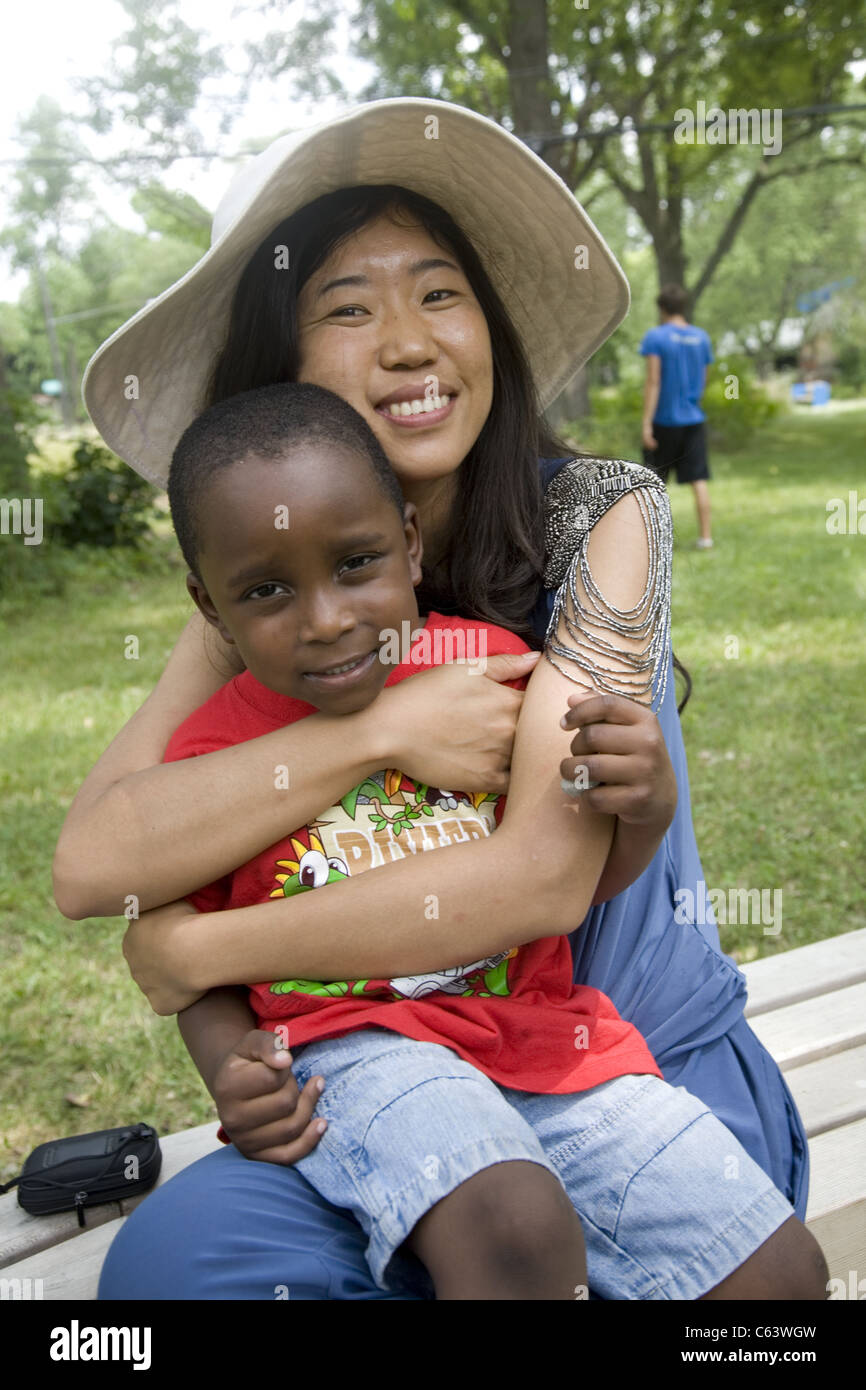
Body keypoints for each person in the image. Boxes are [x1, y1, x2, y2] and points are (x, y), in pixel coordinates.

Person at [53, 99, 820, 1300]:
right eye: (347, 309)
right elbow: (95, 864)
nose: (408, 342)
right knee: (174, 1267)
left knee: (645, 1264)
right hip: (391, 1074)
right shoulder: (265, 594)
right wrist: (386, 729)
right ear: (281, 373)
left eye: (439, 293)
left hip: (620, 1065)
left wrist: (194, 945)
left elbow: (538, 880)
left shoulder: (595, 512)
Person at [156, 378, 799, 1300]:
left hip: (543, 1036)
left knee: (777, 1272)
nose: (328, 619)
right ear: (210, 607)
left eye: (355, 564)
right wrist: (229, 1065)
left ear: (410, 546)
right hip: (357, 1050)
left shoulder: (490, 671)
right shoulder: (215, 755)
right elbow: (191, 967)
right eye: (265, 590)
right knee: (513, 1228)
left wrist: (644, 808)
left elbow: (581, 877)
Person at [640, 284, 714, 548]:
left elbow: (653, 380)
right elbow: (704, 378)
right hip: (694, 418)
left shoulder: (655, 338)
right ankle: (706, 537)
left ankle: (653, 542)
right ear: (684, 307)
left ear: (661, 308)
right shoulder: (701, 338)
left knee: (653, 482)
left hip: (664, 421)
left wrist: (647, 423)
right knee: (699, 479)